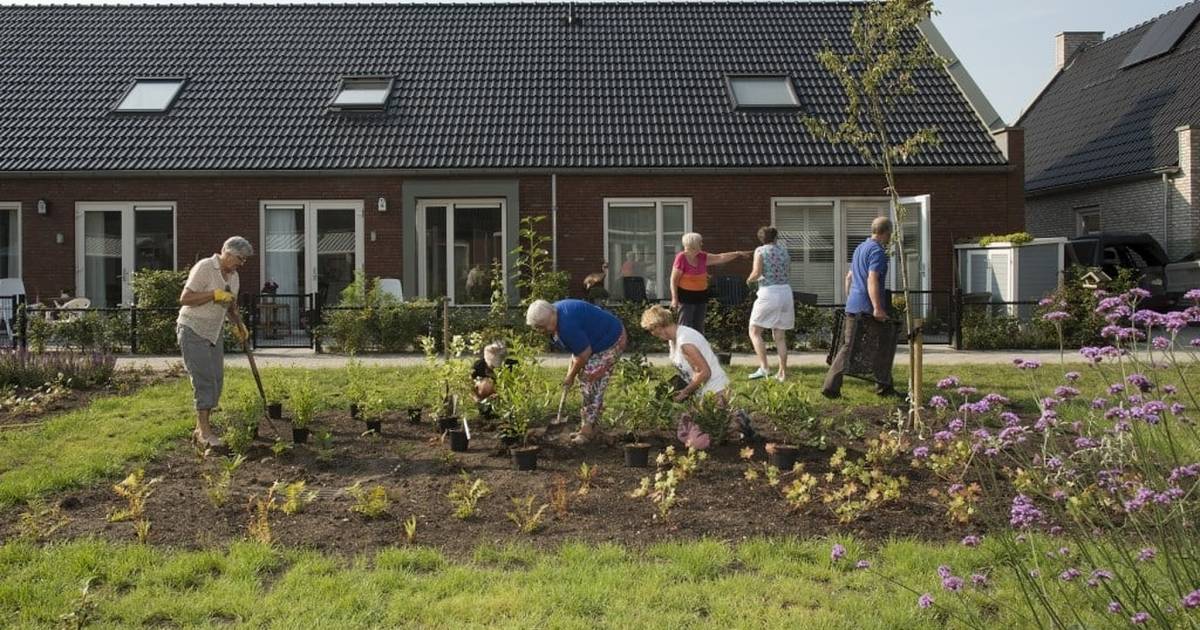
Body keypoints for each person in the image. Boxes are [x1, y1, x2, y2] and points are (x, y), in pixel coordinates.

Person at [640, 305, 754, 448]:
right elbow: (689, 369)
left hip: (715, 391)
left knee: (696, 443)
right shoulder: (673, 339)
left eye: (652, 329)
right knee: (683, 434)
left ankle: (735, 421)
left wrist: (685, 393)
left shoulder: (685, 342)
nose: (652, 333)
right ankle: (723, 422)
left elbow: (705, 373)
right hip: (700, 393)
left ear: (659, 325)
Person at [177, 236, 253, 448]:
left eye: (244, 260)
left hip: (213, 331)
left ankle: (199, 429)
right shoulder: (204, 267)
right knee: (204, 380)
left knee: (217, 380)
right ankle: (205, 433)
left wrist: (239, 324)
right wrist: (213, 294)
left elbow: (230, 305)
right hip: (193, 329)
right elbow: (185, 298)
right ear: (226, 252)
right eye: (240, 258)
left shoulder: (234, 277)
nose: (241, 263)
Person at [526, 298, 626, 445]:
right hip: (598, 340)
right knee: (586, 379)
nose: (543, 331)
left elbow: (584, 353)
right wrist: (570, 374)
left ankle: (586, 431)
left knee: (590, 381)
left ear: (551, 316)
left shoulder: (566, 325)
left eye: (544, 326)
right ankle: (591, 426)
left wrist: (571, 375)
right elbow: (577, 350)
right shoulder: (555, 312)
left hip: (612, 341)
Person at [822, 216, 899, 399]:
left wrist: (851, 297)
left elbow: (849, 276)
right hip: (867, 307)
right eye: (890, 234)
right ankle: (832, 387)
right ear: (886, 232)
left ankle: (883, 386)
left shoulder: (860, 248)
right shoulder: (878, 252)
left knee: (851, 345)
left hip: (854, 304)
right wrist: (877, 308)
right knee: (877, 346)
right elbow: (872, 278)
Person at [670, 232, 749, 334]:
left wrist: (737, 254)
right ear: (693, 244)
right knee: (685, 326)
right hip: (685, 297)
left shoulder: (702, 256)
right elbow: (673, 280)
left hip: (701, 296)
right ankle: (683, 348)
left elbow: (720, 257)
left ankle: (698, 348)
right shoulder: (681, 258)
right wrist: (674, 299)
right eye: (700, 242)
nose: (702, 244)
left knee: (699, 326)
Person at [746, 226, 794, 382]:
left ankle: (764, 368)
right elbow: (788, 271)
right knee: (780, 336)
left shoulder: (760, 251)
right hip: (786, 292)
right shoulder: (784, 251)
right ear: (775, 238)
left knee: (754, 330)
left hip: (769, 293)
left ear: (761, 239)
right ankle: (783, 373)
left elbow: (757, 272)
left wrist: (748, 280)